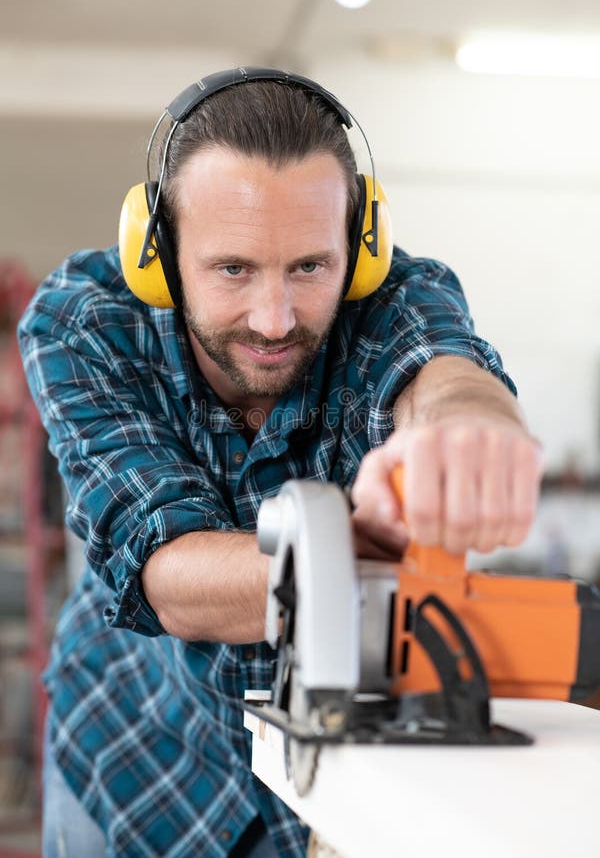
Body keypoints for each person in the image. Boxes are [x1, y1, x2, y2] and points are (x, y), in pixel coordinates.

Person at [18, 67, 542, 858]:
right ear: (157, 252)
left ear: (359, 250)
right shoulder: (85, 324)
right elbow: (167, 573)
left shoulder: (393, 297)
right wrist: (342, 556)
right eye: (233, 269)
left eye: (309, 267)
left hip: (325, 786)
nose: (275, 318)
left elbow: (446, 370)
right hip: (134, 762)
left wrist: (473, 426)